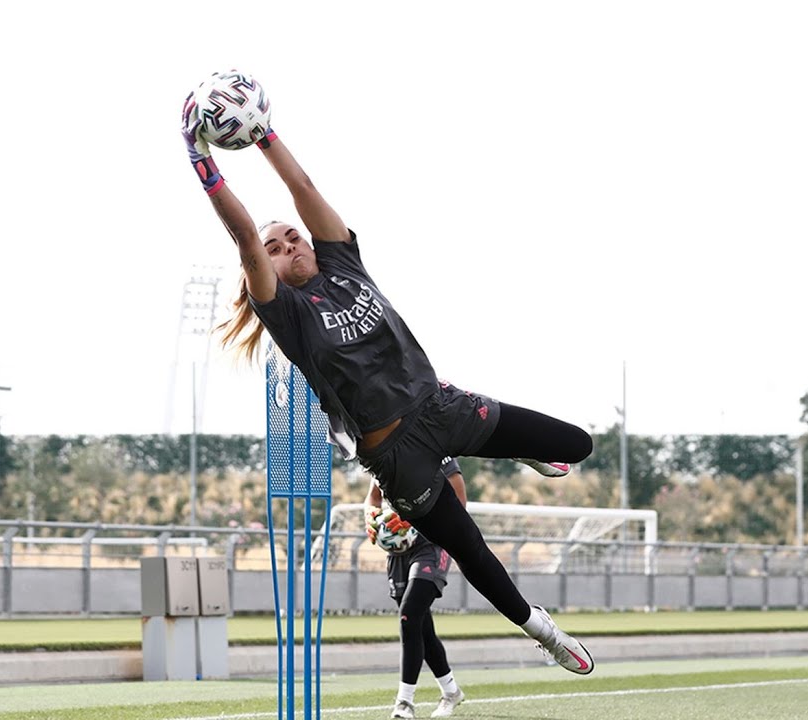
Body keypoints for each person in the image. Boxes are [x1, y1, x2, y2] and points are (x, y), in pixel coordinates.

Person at [182, 91, 595, 675]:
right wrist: (202, 161)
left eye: (292, 237)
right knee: (472, 553)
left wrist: (265, 135)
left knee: (577, 444)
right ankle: (543, 630)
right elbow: (245, 236)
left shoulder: (345, 264)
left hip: (440, 406)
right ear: (264, 269)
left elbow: (303, 189)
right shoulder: (287, 313)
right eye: (274, 248)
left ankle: (522, 450)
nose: (286, 246)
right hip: (397, 459)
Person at [365, 457, 467, 718]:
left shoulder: (439, 456)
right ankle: (451, 692)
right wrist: (372, 517)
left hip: (432, 544)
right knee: (421, 628)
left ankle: (405, 702)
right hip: (399, 553)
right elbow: (372, 499)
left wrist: (414, 520)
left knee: (409, 617)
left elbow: (460, 505)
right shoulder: (384, 455)